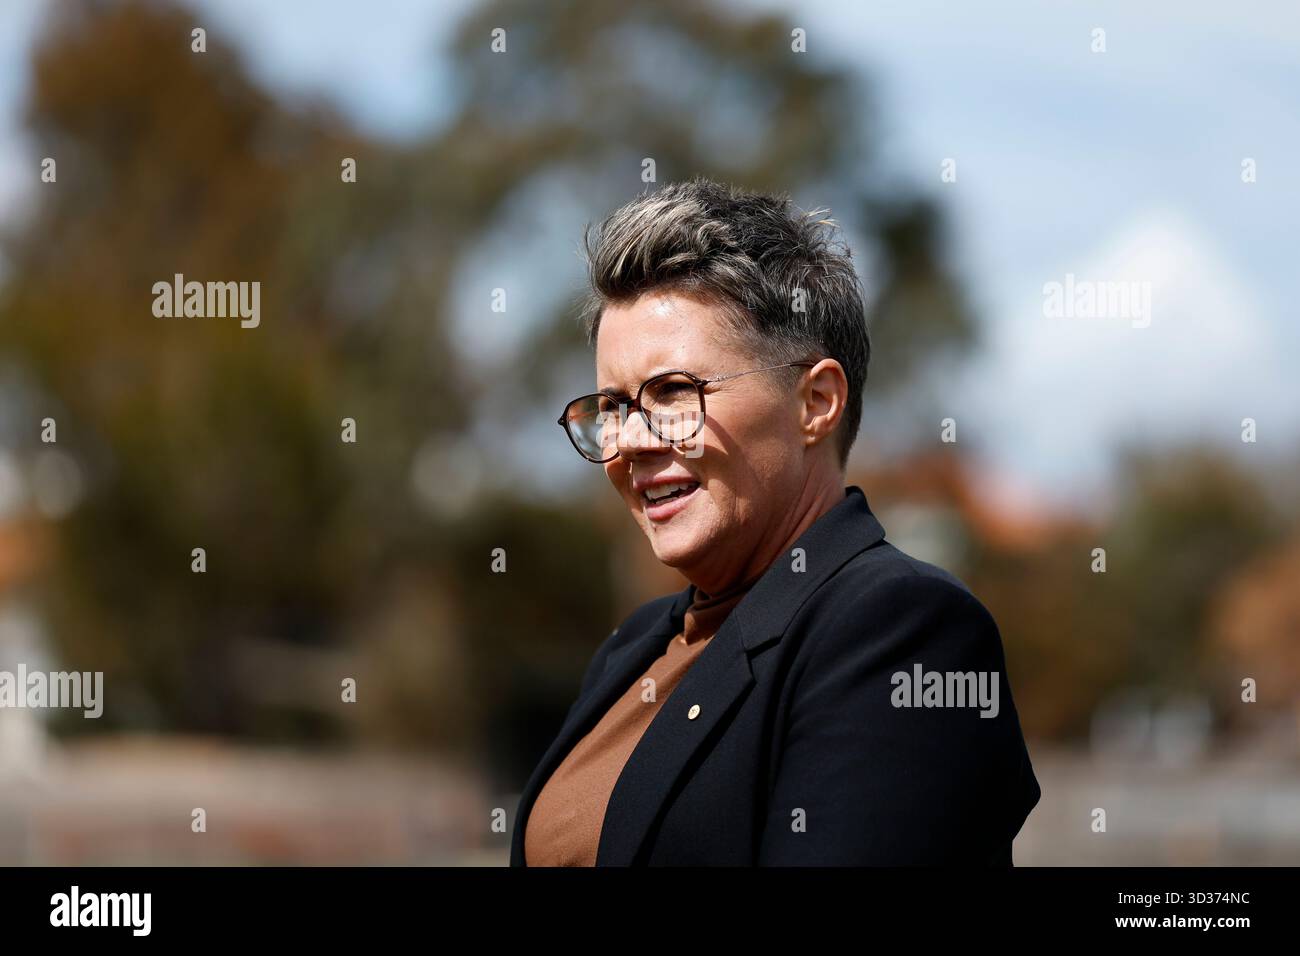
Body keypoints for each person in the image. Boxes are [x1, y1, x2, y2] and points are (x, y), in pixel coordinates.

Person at [511, 176, 1040, 865]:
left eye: (674, 392)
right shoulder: (634, 648)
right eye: (612, 407)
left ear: (815, 402)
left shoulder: (898, 629)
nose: (631, 440)